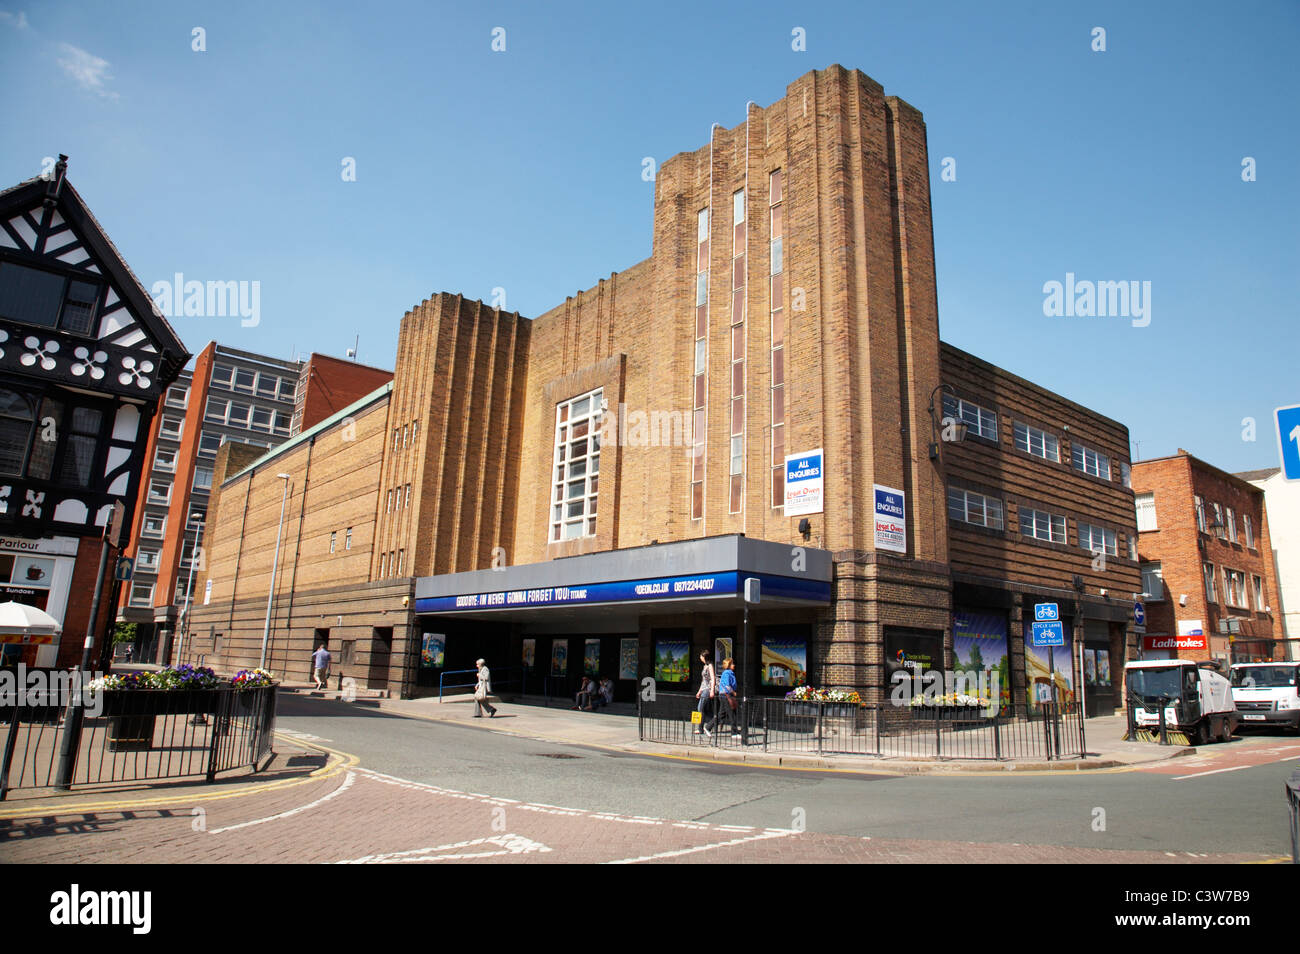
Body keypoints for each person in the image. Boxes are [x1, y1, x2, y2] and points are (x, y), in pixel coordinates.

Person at [707, 657, 739, 738]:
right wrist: (733, 692)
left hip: (724, 695)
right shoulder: (727, 673)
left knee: (722, 714)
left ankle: (708, 727)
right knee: (732, 713)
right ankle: (734, 732)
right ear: (728, 665)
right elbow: (727, 685)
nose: (734, 665)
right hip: (726, 695)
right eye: (732, 664)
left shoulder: (729, 673)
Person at [694, 650, 716, 738]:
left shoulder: (710, 666)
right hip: (704, 689)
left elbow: (713, 678)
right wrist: (699, 691)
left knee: (700, 707)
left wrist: (712, 690)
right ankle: (704, 725)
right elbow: (703, 681)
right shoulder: (705, 666)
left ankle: (701, 728)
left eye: (701, 656)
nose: (700, 658)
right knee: (702, 708)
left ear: (705, 657)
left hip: (708, 689)